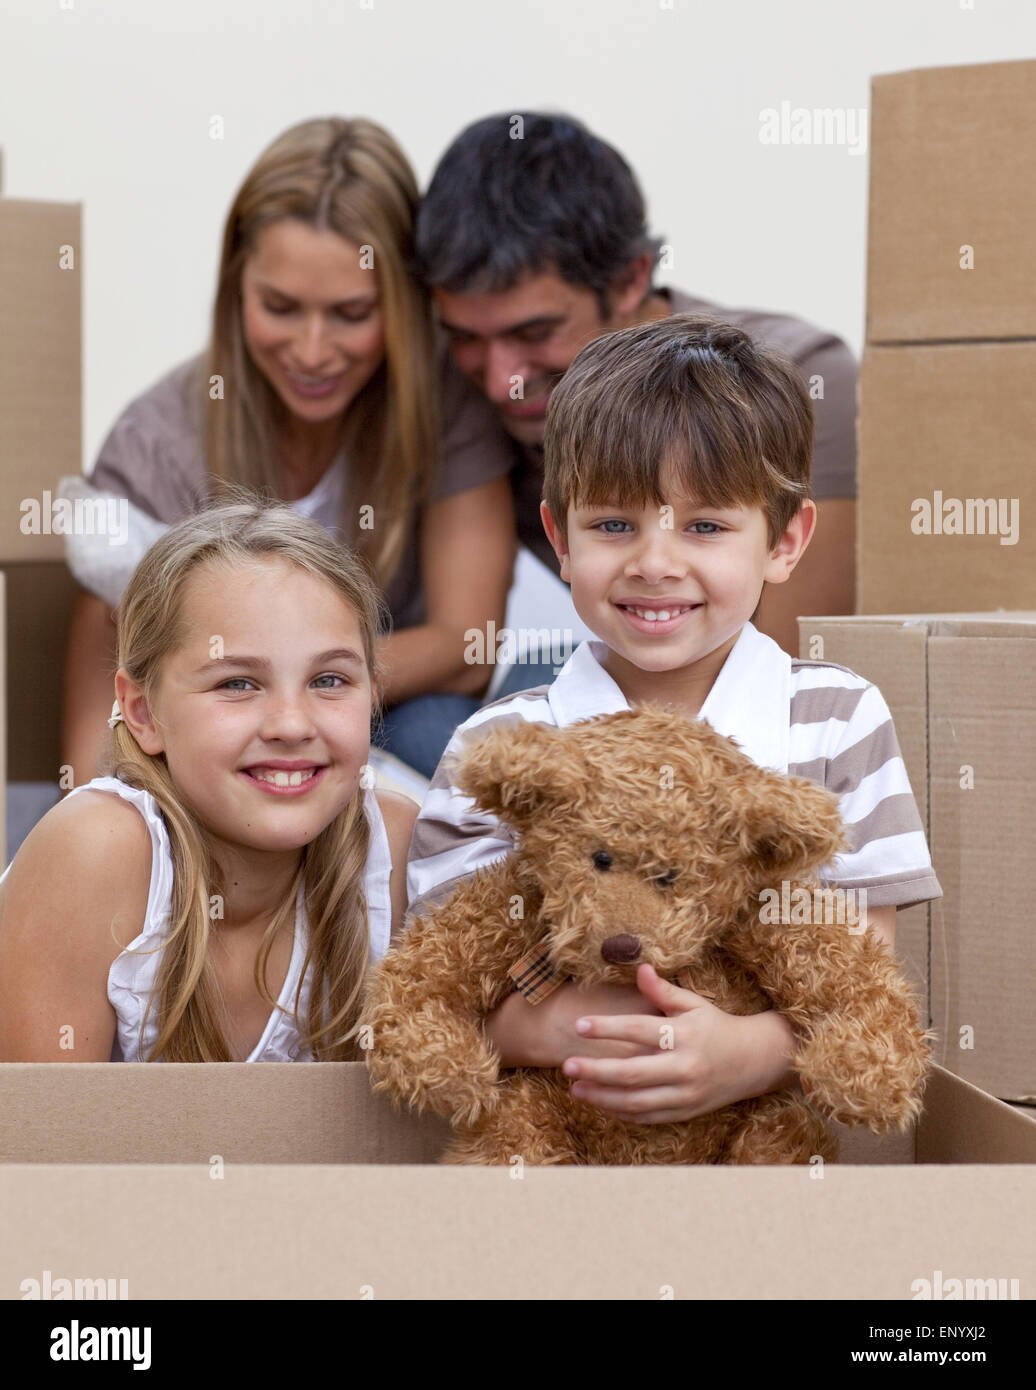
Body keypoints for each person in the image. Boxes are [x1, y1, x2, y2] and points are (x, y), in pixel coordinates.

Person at [405, 315, 942, 1125]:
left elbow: (862, 978)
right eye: (614, 525)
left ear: (785, 541)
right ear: (560, 536)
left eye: (706, 526)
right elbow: (446, 978)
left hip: (757, 1149)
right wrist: (587, 1034)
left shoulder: (838, 721)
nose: (655, 564)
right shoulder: (500, 747)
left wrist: (749, 1055)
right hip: (562, 1143)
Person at [63, 116, 516, 786]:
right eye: (279, 306)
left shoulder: (444, 405)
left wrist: (296, 695)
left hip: (379, 723)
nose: (311, 352)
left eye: (351, 315)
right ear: (235, 287)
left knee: (437, 731)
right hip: (216, 759)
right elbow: (91, 754)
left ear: (405, 305)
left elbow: (466, 646)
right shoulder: (157, 441)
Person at [415, 110, 856, 659]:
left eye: (537, 331)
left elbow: (793, 672)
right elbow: (462, 644)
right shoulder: (464, 380)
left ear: (631, 277)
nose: (503, 381)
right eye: (465, 337)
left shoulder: (798, 377)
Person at [0, 498, 418, 1062]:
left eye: (328, 679)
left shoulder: (392, 850)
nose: (292, 725)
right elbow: (45, 1141)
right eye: (237, 684)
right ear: (144, 713)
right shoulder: (98, 852)